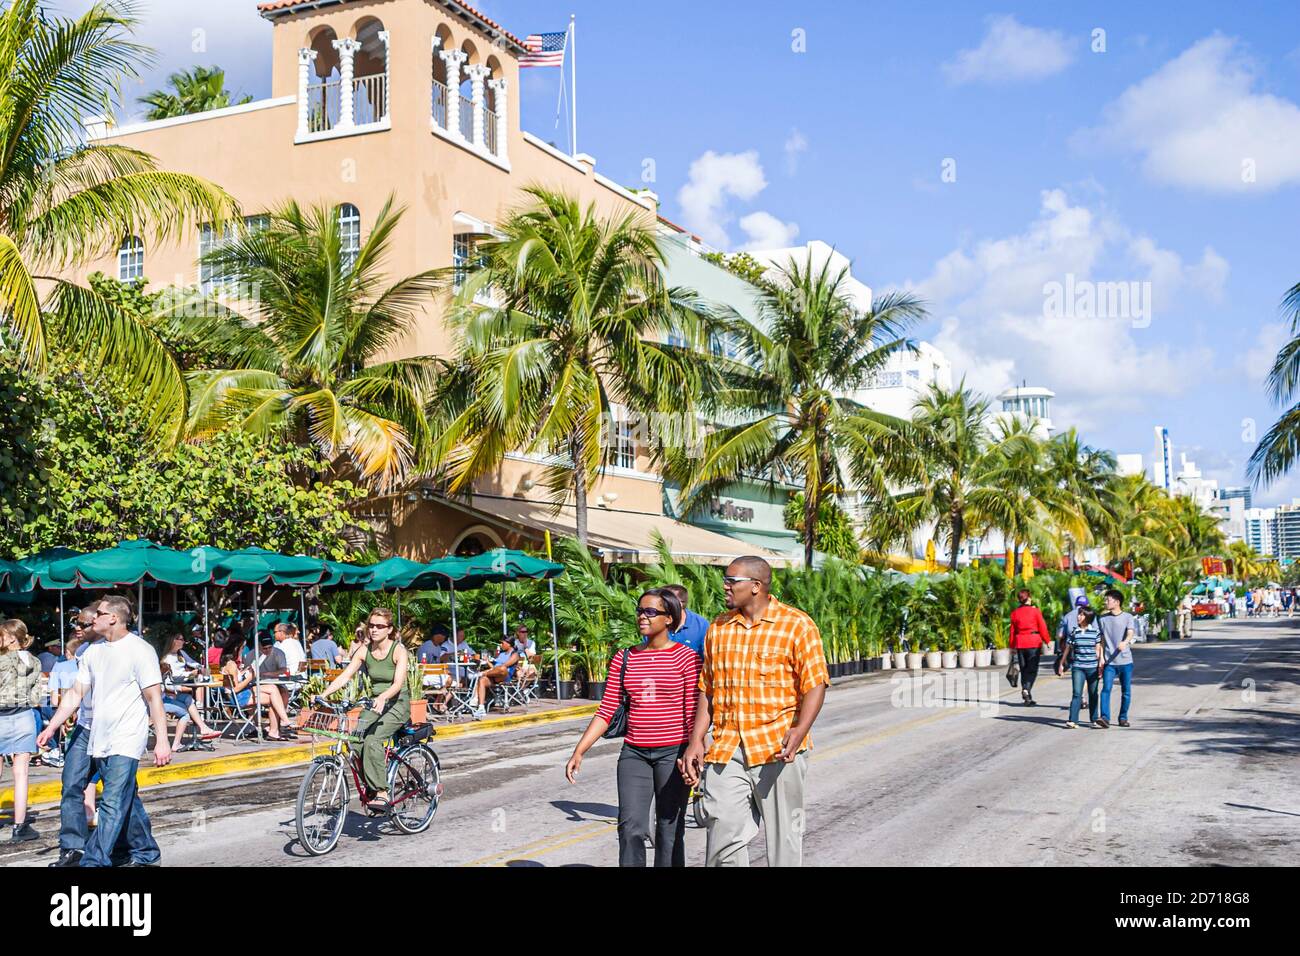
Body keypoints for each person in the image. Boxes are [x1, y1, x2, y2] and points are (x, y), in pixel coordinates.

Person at [679, 555, 830, 868]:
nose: (725, 586)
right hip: (727, 748)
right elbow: (707, 688)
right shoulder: (719, 627)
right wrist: (696, 740)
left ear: (757, 586)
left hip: (777, 747)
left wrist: (800, 729)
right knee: (721, 830)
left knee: (784, 839)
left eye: (732, 580)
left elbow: (815, 683)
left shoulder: (797, 625)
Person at [566, 588, 702, 866]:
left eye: (651, 612)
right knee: (630, 828)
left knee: (668, 828)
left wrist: (695, 751)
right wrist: (580, 750)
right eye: (640, 610)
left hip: (673, 753)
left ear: (669, 618)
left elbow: (694, 712)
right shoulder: (624, 657)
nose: (642, 616)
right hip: (634, 754)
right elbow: (607, 709)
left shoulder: (686, 658)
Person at [37, 595, 172, 867]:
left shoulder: (140, 650)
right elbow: (76, 693)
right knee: (123, 798)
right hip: (97, 734)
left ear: (113, 618)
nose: (91, 618)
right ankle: (145, 853)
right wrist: (51, 726)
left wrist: (162, 741)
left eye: (98, 613)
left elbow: (154, 698)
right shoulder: (93, 653)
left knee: (111, 801)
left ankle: (94, 861)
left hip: (126, 736)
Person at [316, 608, 410, 809]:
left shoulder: (398, 650)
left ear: (389, 629)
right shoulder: (364, 651)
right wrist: (323, 695)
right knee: (355, 740)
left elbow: (398, 683)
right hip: (375, 702)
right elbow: (345, 676)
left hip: (397, 703)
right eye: (372, 625)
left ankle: (382, 792)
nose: (374, 630)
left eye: (380, 626)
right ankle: (372, 783)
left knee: (372, 740)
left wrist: (384, 697)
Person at [0, 619, 43, 843]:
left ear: (10, 638)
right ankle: (20, 826)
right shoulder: (35, 662)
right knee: (21, 774)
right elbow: (37, 698)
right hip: (24, 717)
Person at [220, 633, 294, 740]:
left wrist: (245, 671)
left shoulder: (229, 663)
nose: (243, 650)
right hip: (238, 697)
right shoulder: (231, 665)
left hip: (239, 694)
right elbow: (235, 689)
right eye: (242, 648)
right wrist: (251, 677)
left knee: (274, 692)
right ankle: (281, 724)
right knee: (274, 694)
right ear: (237, 648)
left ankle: (277, 728)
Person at [1096, 588, 1136, 729]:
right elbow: (1101, 640)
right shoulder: (1102, 619)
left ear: (1117, 602)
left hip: (1125, 661)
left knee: (1126, 691)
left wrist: (1125, 642)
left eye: (1108, 600)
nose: (1106, 602)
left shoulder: (1127, 617)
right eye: (1106, 599)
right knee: (1106, 689)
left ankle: (1123, 717)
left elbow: (1130, 633)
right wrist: (1100, 658)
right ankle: (1105, 718)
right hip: (1109, 662)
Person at [1058, 607, 1103, 728]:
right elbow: (1068, 648)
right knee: (1077, 693)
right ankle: (1073, 720)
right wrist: (1062, 663)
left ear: (1088, 617)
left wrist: (1100, 664)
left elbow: (1098, 649)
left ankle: (1094, 719)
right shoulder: (1074, 632)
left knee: (1093, 693)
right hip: (1078, 667)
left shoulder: (1095, 632)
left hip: (1092, 667)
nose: (1078, 617)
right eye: (1079, 614)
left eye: (1082, 615)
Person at [1009, 589, 1051, 706]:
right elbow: (1042, 626)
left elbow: (1012, 631)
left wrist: (1012, 646)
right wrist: (1047, 640)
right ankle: (1026, 689)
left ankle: (1027, 696)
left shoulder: (1015, 613)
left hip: (1020, 642)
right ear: (1029, 598)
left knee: (1024, 669)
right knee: (1032, 669)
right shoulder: (1035, 611)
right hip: (1033, 642)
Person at [471, 638, 519, 719]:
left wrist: (489, 671)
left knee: (502, 669)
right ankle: (481, 707)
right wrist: (488, 662)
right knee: (482, 680)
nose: (501, 645)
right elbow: (494, 667)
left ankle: (484, 673)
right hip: (494, 676)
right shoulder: (501, 654)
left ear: (509, 644)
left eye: (502, 643)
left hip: (504, 677)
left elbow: (505, 666)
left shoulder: (515, 654)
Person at [663, 583, 708, 656]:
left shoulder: (701, 625)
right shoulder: (655, 622)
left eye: (665, 601)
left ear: (679, 604)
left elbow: (708, 657)